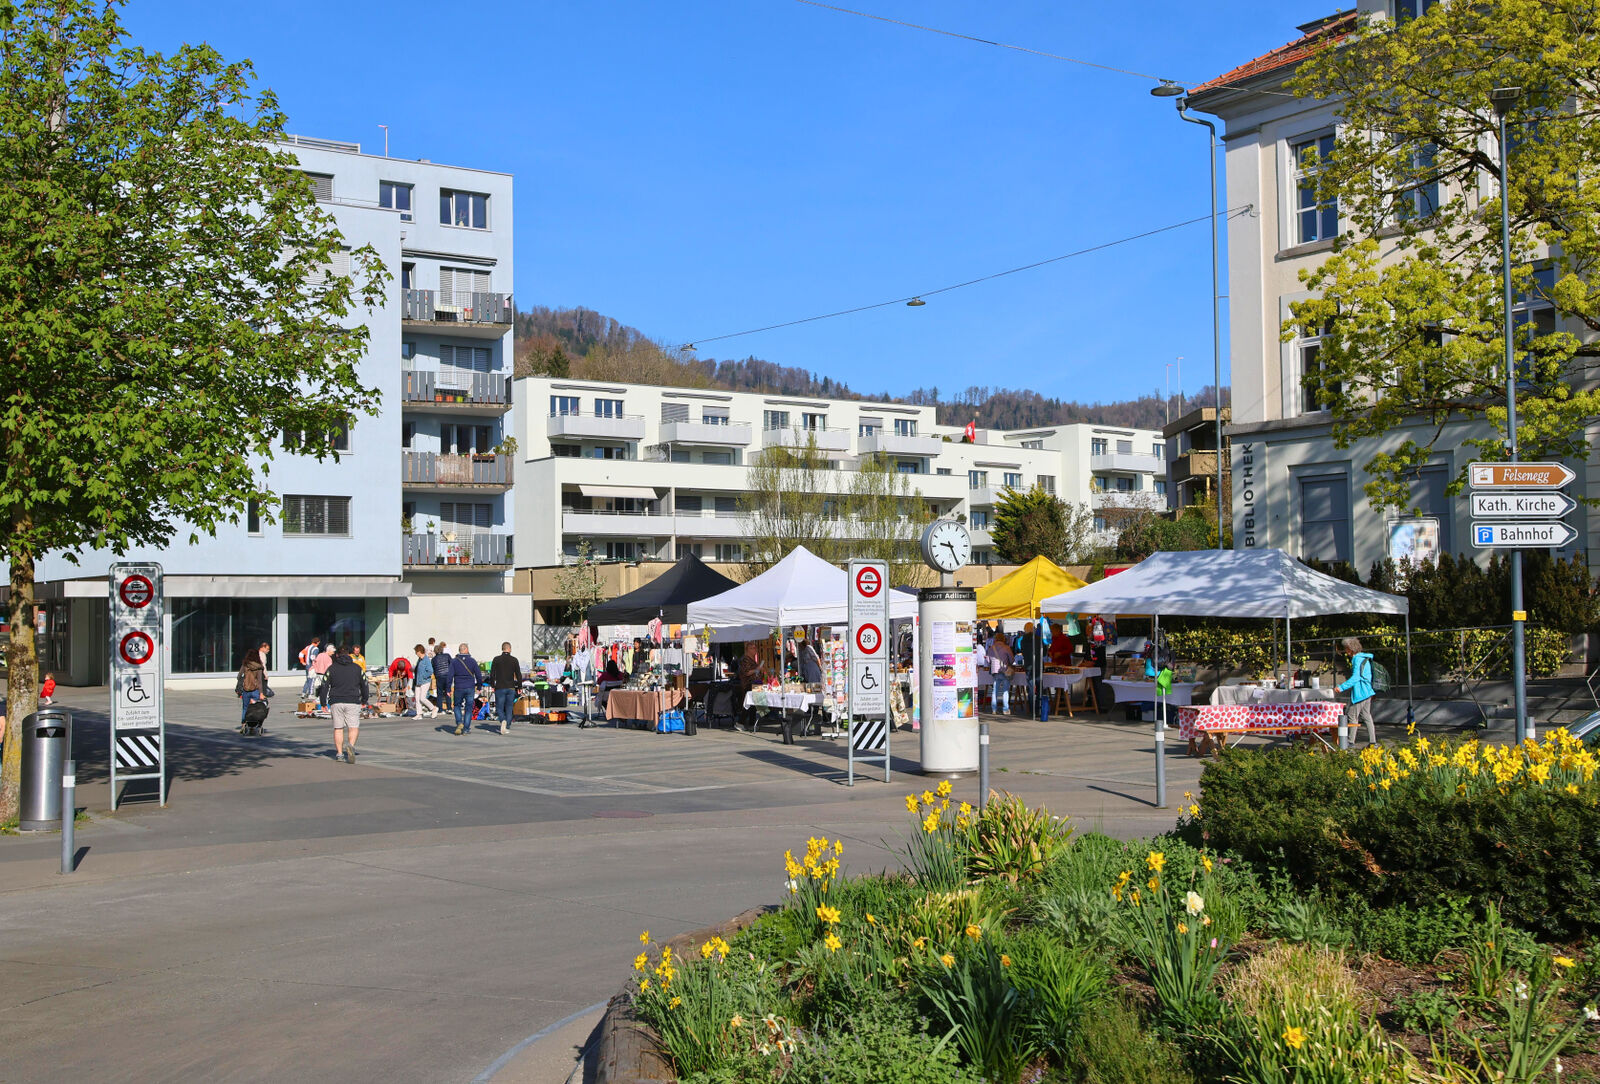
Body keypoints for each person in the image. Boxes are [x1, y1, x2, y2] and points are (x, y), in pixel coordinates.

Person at [325, 645, 368, 762]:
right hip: (353, 700)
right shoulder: (357, 668)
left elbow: (324, 685)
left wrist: (323, 702)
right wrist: (364, 699)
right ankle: (351, 745)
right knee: (353, 727)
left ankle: (339, 753)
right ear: (350, 655)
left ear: (337, 655)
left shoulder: (331, 668)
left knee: (338, 728)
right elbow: (364, 684)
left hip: (336, 700)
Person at [1338, 637, 1378, 746]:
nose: (1345, 651)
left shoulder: (1356, 659)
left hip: (1360, 693)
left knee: (1352, 715)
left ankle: (1350, 741)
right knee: (1367, 716)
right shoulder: (1365, 658)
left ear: (1350, 649)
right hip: (1367, 692)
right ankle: (1373, 741)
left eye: (1346, 649)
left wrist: (1341, 687)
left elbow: (1355, 678)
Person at [489, 641, 523, 735]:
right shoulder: (514, 660)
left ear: (502, 649)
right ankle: (507, 725)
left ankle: (503, 720)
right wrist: (519, 686)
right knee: (509, 707)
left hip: (500, 687)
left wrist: (492, 685)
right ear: (510, 649)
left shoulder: (496, 659)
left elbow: (492, 674)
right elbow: (518, 674)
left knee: (499, 707)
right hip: (511, 687)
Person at [450, 643, 482, 735]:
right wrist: (479, 686)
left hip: (458, 687)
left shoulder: (454, 661)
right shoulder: (472, 661)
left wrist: (448, 688)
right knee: (468, 708)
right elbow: (478, 675)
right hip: (470, 687)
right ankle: (466, 729)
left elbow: (450, 675)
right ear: (467, 650)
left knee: (457, 705)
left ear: (459, 650)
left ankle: (459, 722)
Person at [236, 647, 266, 726]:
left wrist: (244, 679)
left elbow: (239, 676)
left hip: (246, 690)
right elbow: (260, 681)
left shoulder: (245, 664)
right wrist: (261, 693)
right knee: (255, 708)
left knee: (245, 708)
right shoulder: (259, 666)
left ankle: (243, 723)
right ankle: (254, 724)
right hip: (255, 690)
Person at [989, 636, 1013, 716]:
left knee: (995, 690)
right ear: (1004, 639)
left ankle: (994, 709)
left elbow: (988, 660)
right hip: (1005, 670)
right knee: (1005, 690)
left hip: (995, 671)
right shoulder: (1006, 648)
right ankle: (1005, 709)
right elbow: (1012, 660)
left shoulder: (991, 648)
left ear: (995, 639)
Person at [413, 644, 437, 718]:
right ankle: (419, 713)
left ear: (419, 651)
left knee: (422, 698)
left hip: (425, 681)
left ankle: (433, 708)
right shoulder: (419, 660)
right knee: (417, 698)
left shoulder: (426, 660)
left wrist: (423, 676)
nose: (415, 653)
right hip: (418, 681)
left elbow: (430, 671)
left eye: (416, 652)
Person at [388, 651, 414, 715]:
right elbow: (390, 670)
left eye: (402, 670)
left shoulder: (408, 666)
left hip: (405, 676)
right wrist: (390, 677)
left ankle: (409, 706)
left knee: (407, 691)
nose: (400, 671)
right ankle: (392, 705)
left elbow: (410, 678)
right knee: (393, 690)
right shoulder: (394, 663)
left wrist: (406, 687)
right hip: (395, 675)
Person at [433, 642, 454, 715]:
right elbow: (452, 664)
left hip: (439, 676)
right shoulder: (447, 656)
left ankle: (440, 709)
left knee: (440, 693)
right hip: (448, 675)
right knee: (448, 692)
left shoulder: (434, 659)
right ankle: (449, 708)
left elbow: (434, 668)